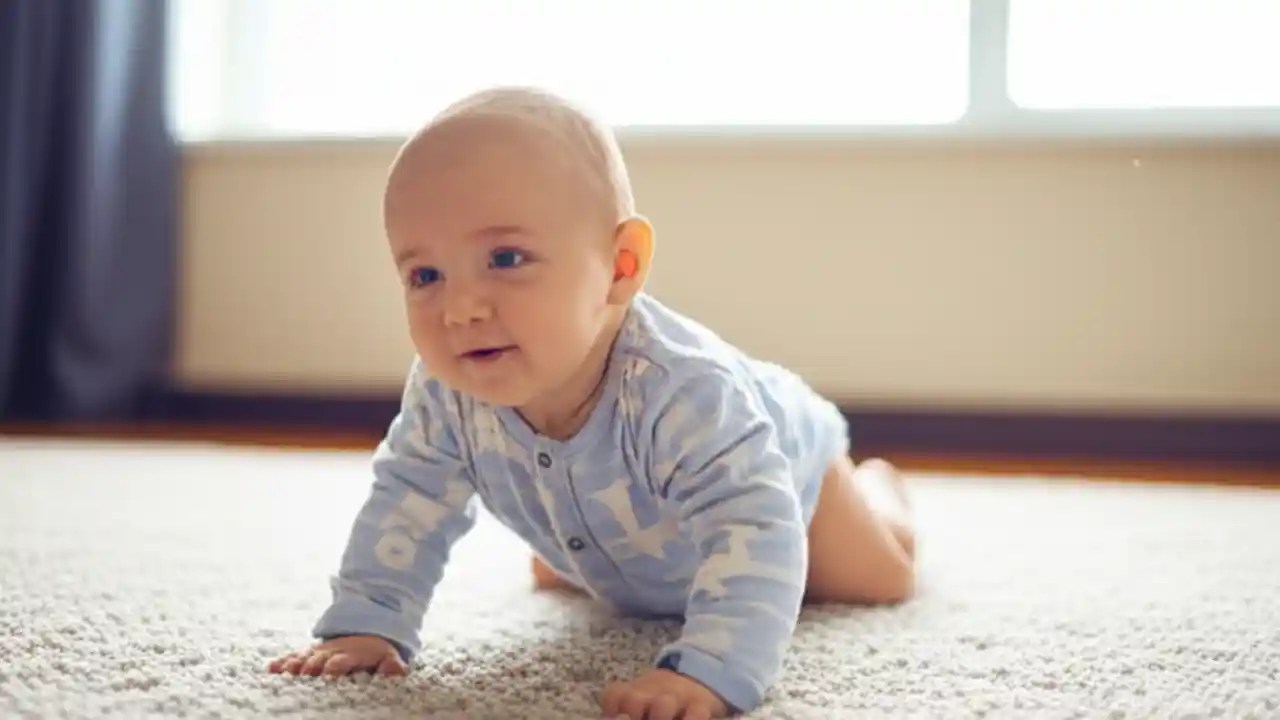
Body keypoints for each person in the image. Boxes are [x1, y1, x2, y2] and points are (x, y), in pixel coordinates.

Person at [268, 86, 916, 719]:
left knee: (879, 580)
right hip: (634, 525)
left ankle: (877, 490)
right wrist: (366, 624)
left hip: (783, 478)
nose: (461, 309)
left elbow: (752, 527)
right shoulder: (446, 393)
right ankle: (593, 554)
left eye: (506, 257)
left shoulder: (685, 391)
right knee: (582, 575)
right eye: (425, 276)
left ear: (621, 265)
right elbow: (406, 502)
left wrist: (710, 672)